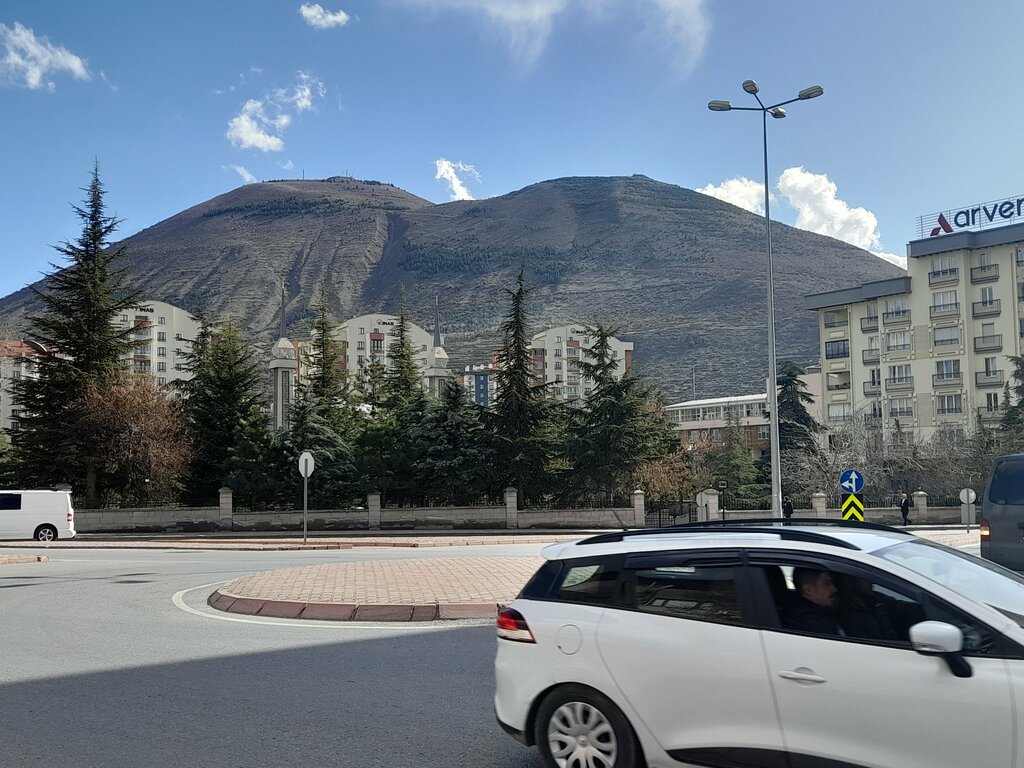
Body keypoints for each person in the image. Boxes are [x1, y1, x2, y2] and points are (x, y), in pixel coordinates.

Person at [780, 568, 845, 636]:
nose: (834, 589)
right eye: (827, 584)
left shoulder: (820, 612)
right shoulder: (809, 622)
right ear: (809, 590)